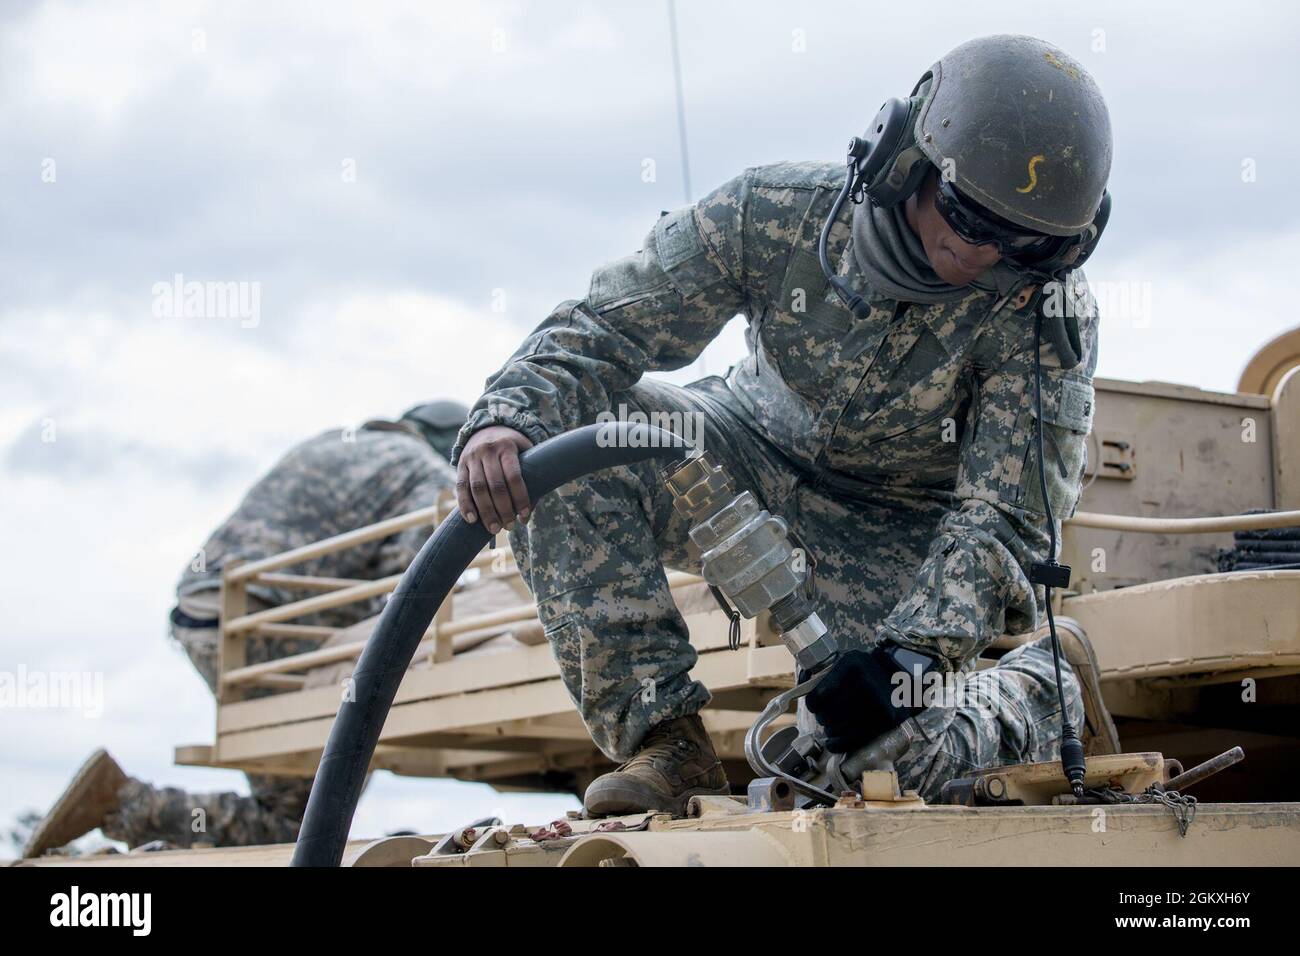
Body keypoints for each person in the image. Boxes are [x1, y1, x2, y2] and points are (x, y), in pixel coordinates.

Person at [451, 35, 1120, 816]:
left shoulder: (1043, 311)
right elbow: (606, 328)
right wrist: (505, 417)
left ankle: (1046, 686)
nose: (987, 256)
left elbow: (1006, 518)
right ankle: (667, 745)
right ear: (902, 159)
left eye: (1027, 243)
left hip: (900, 535)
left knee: (882, 768)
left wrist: (913, 656)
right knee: (570, 441)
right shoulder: (772, 213)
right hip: (738, 453)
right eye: (972, 219)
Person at [23, 401, 468, 856]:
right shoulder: (422, 467)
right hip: (267, 620)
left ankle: (127, 805)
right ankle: (124, 801)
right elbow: (420, 576)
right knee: (310, 821)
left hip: (209, 611)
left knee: (301, 810)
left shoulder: (333, 443)